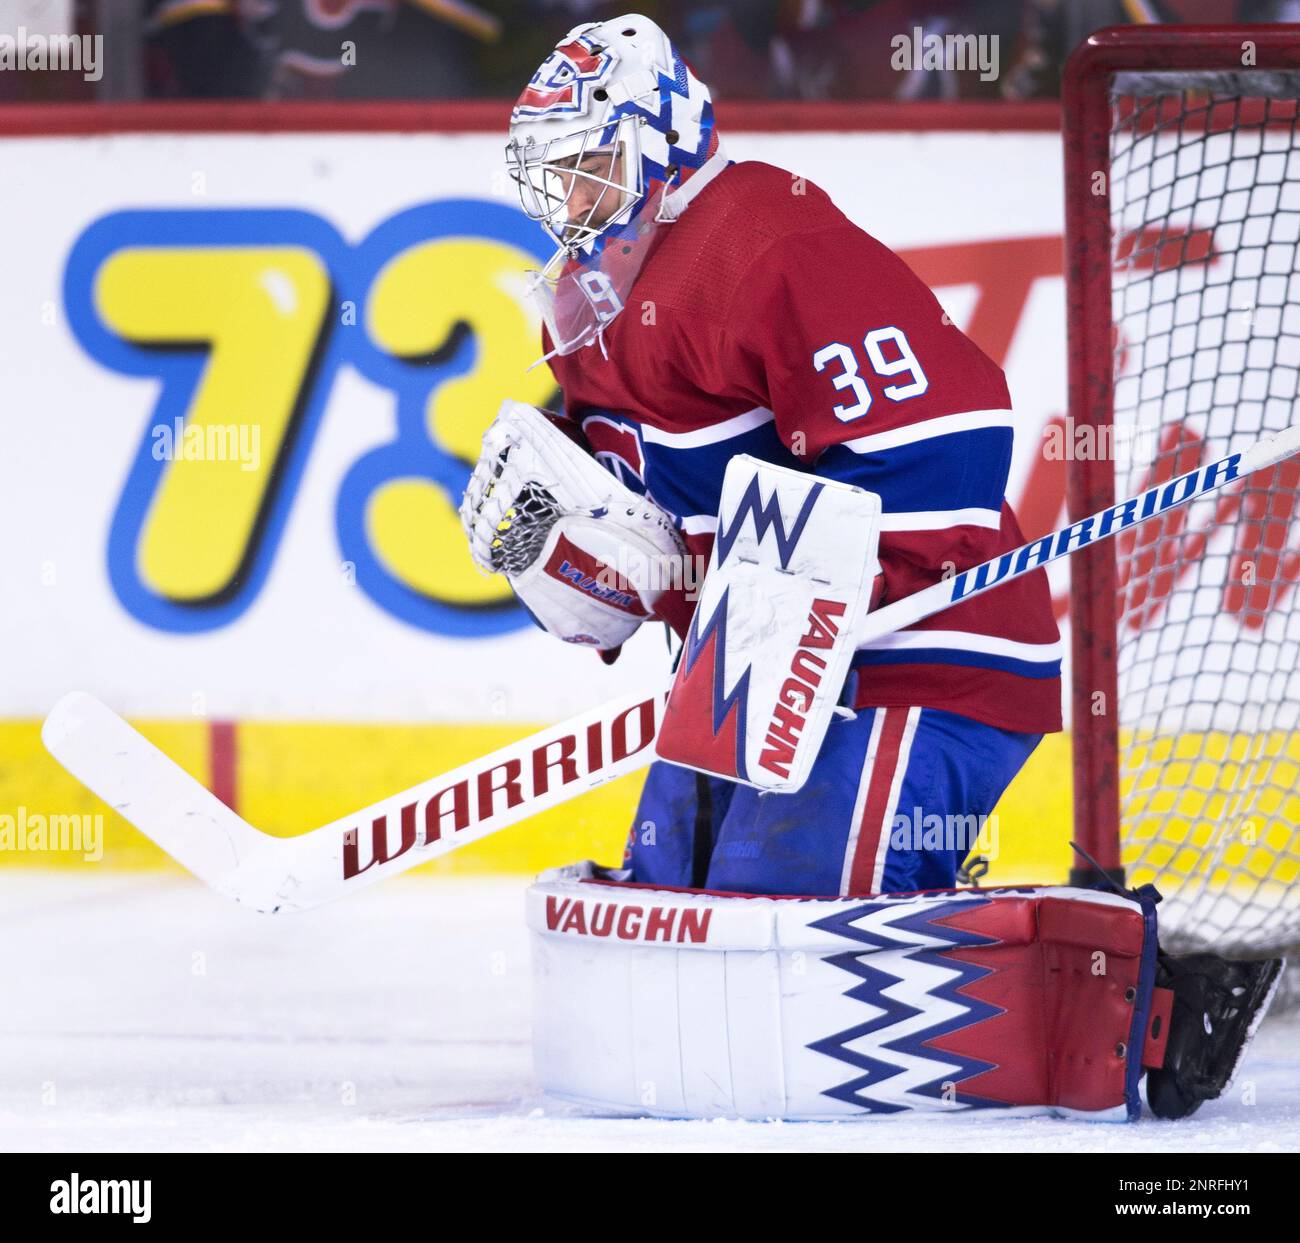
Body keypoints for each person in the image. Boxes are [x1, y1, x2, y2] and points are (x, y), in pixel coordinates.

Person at [461, 13, 1282, 1119]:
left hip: (924, 660)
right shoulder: (590, 307)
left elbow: (947, 438)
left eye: (592, 169)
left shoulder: (758, 240)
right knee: (673, 912)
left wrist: (798, 589)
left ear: (664, 144)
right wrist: (593, 566)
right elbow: (656, 543)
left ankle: (1142, 1003)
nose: (574, 204)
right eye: (554, 179)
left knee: (775, 928)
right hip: (758, 676)